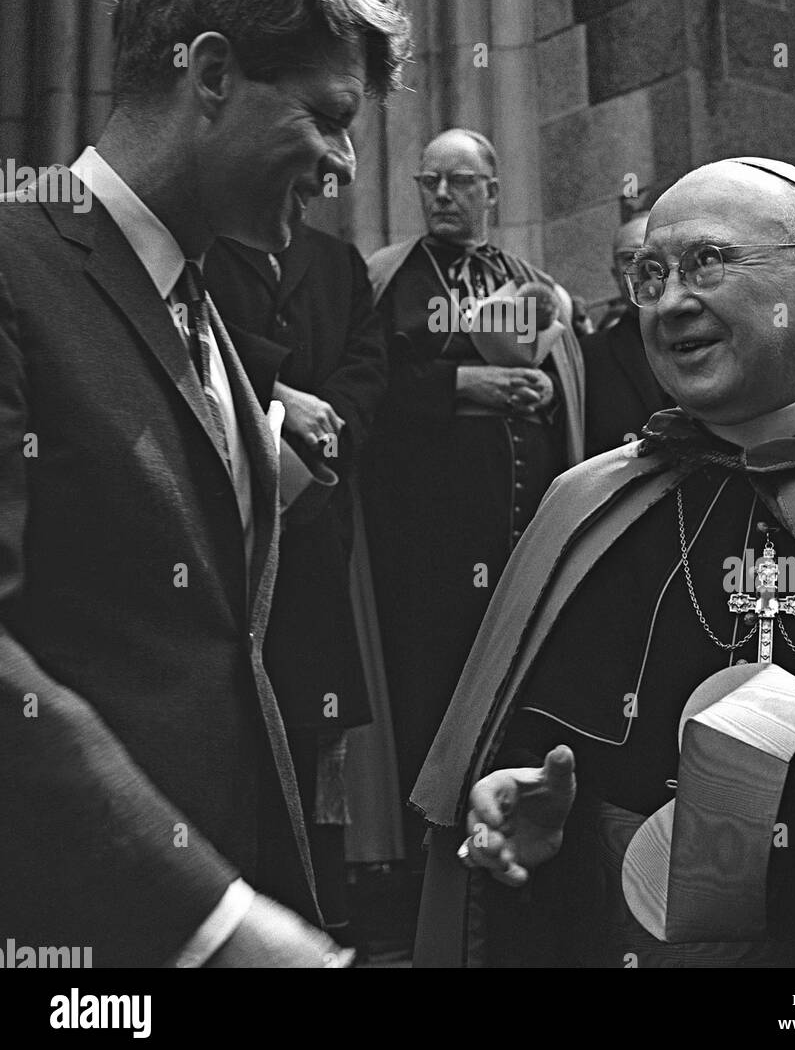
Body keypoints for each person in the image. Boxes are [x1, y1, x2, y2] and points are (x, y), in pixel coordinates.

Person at [411, 157, 795, 968]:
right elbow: (519, 748)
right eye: (649, 274)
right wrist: (514, 801)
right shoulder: (581, 503)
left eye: (706, 262)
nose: (669, 300)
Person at [0, 0, 410, 968]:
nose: (344, 165)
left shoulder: (206, 313)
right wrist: (210, 923)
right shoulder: (13, 264)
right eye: (328, 117)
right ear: (214, 73)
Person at [360, 128, 584, 866]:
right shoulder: (386, 279)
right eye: (429, 182)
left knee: (516, 695)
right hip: (422, 541)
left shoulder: (528, 279)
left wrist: (548, 391)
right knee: (428, 692)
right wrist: (464, 384)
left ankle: (511, 841)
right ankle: (425, 862)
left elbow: (573, 397)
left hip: (519, 539)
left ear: (492, 190)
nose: (442, 195)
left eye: (459, 181)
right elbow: (368, 390)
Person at [205, 217, 388, 951]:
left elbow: (369, 365)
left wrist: (326, 423)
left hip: (317, 523)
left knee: (318, 725)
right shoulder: (206, 247)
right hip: (230, 520)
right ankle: (240, 917)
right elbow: (190, 345)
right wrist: (278, 395)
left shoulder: (337, 261)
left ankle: (321, 912)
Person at [580, 213, 671, 455]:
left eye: (652, 256)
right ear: (614, 274)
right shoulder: (587, 356)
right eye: (629, 258)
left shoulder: (714, 339)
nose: (643, 268)